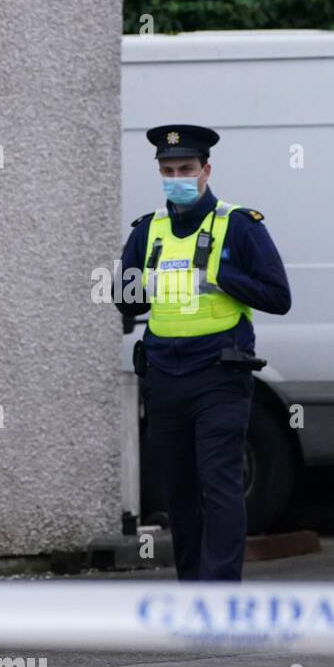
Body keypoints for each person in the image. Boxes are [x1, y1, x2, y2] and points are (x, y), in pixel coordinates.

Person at [117, 125, 291, 580]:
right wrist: (131, 286)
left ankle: (220, 597)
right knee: (177, 491)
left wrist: (222, 279)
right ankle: (192, 590)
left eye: (187, 169)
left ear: (206, 170)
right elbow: (125, 300)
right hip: (163, 379)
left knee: (219, 485)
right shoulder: (147, 231)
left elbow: (278, 296)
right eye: (168, 169)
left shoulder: (238, 225)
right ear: (159, 172)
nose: (178, 176)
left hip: (219, 375)